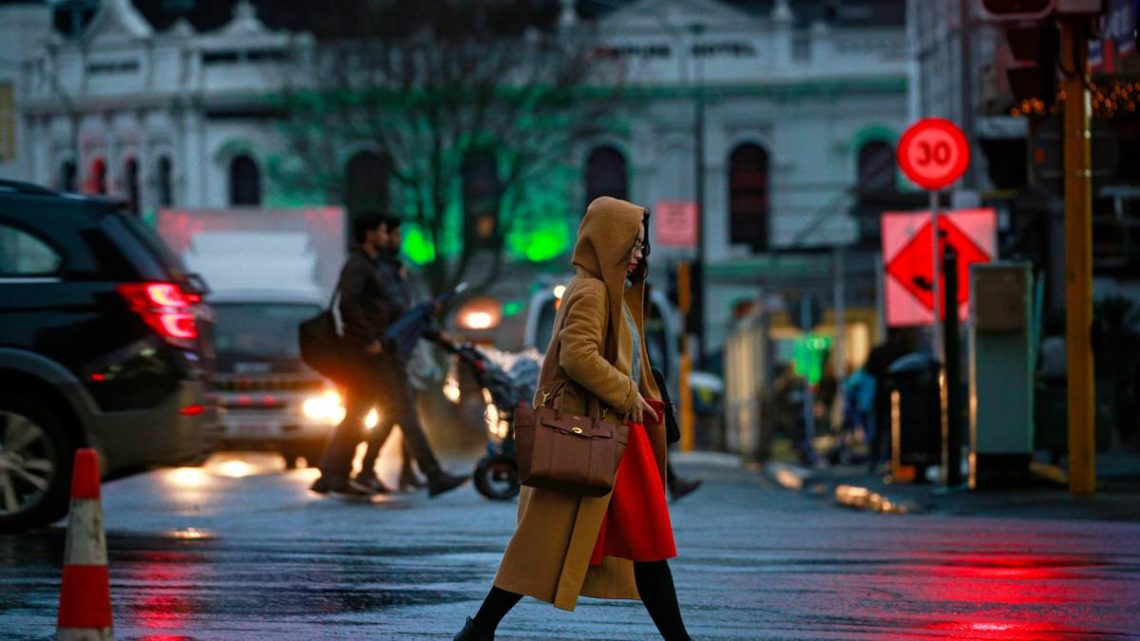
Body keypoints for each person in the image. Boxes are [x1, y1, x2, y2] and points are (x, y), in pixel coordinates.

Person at [454, 197, 693, 641]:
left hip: (613, 432)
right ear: (607, 240)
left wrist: (643, 394)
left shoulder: (608, 290)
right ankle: (480, 628)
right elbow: (578, 356)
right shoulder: (592, 290)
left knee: (641, 546)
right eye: (631, 242)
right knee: (554, 544)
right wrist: (627, 392)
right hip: (595, 433)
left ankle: (480, 629)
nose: (640, 251)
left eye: (642, 244)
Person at [310, 212, 467, 498]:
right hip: (375, 353)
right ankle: (433, 474)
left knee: (357, 412)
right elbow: (349, 304)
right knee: (404, 410)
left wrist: (431, 330)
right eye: (383, 232)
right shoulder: (360, 266)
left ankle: (331, 474)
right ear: (370, 234)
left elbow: (398, 313)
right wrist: (372, 340)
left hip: (382, 350)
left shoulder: (377, 267)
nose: (387, 237)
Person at [352, 215, 428, 494]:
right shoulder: (377, 271)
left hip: (398, 351)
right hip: (388, 353)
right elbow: (395, 312)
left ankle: (382, 469)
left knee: (396, 414)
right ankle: (366, 469)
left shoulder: (394, 270)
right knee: (396, 413)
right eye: (391, 235)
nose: (394, 240)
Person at [863, 328, 914, 472]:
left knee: (879, 429)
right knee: (897, 427)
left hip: (881, 394)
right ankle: (893, 458)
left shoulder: (879, 351)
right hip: (900, 394)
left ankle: (875, 459)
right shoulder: (903, 352)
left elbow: (869, 370)